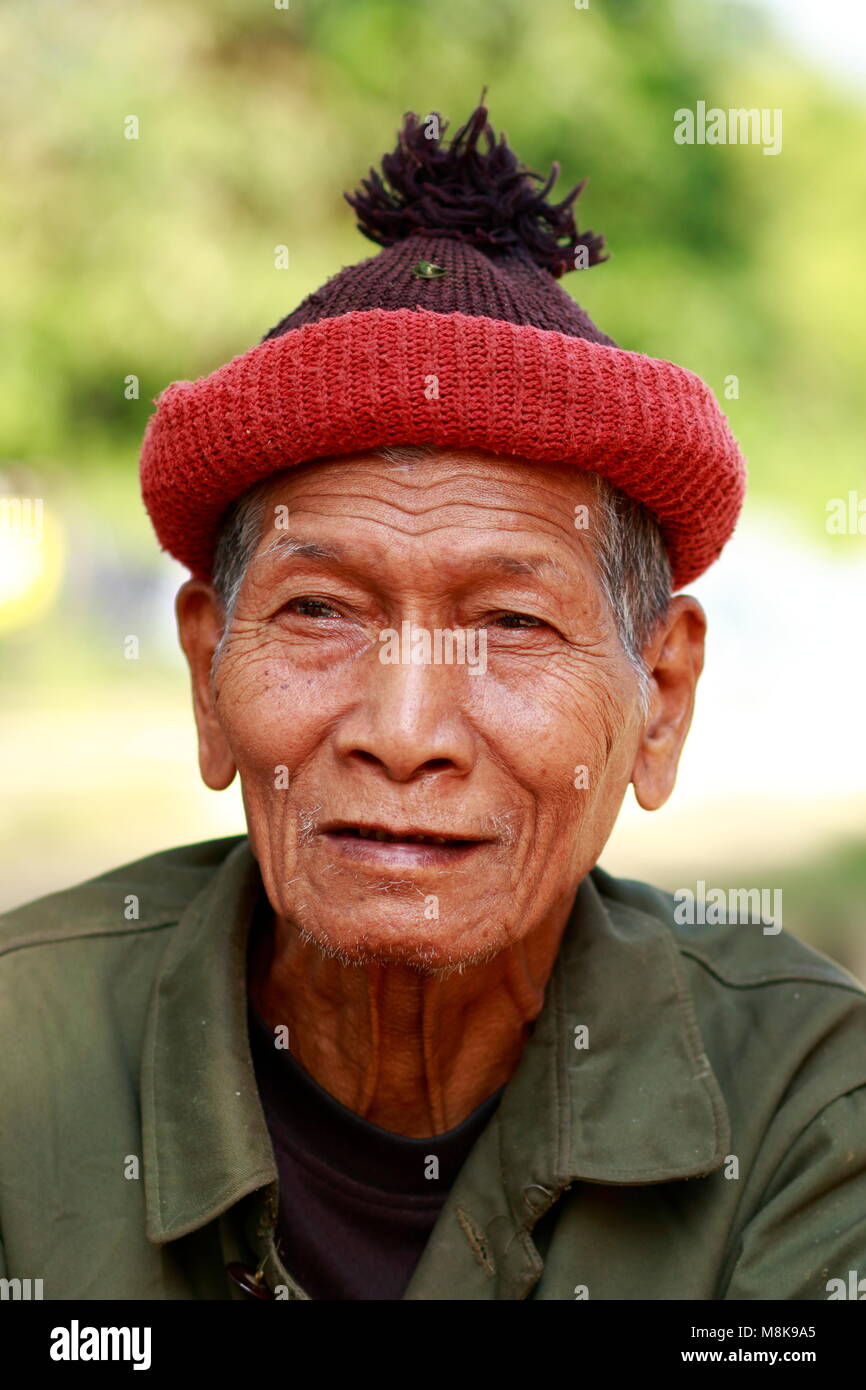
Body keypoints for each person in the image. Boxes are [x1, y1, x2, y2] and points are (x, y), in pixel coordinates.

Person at [2, 102, 864, 1302]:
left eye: (511, 625)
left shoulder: (811, 1108)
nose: (402, 733)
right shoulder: (15, 1056)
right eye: (318, 612)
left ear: (658, 700)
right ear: (207, 674)